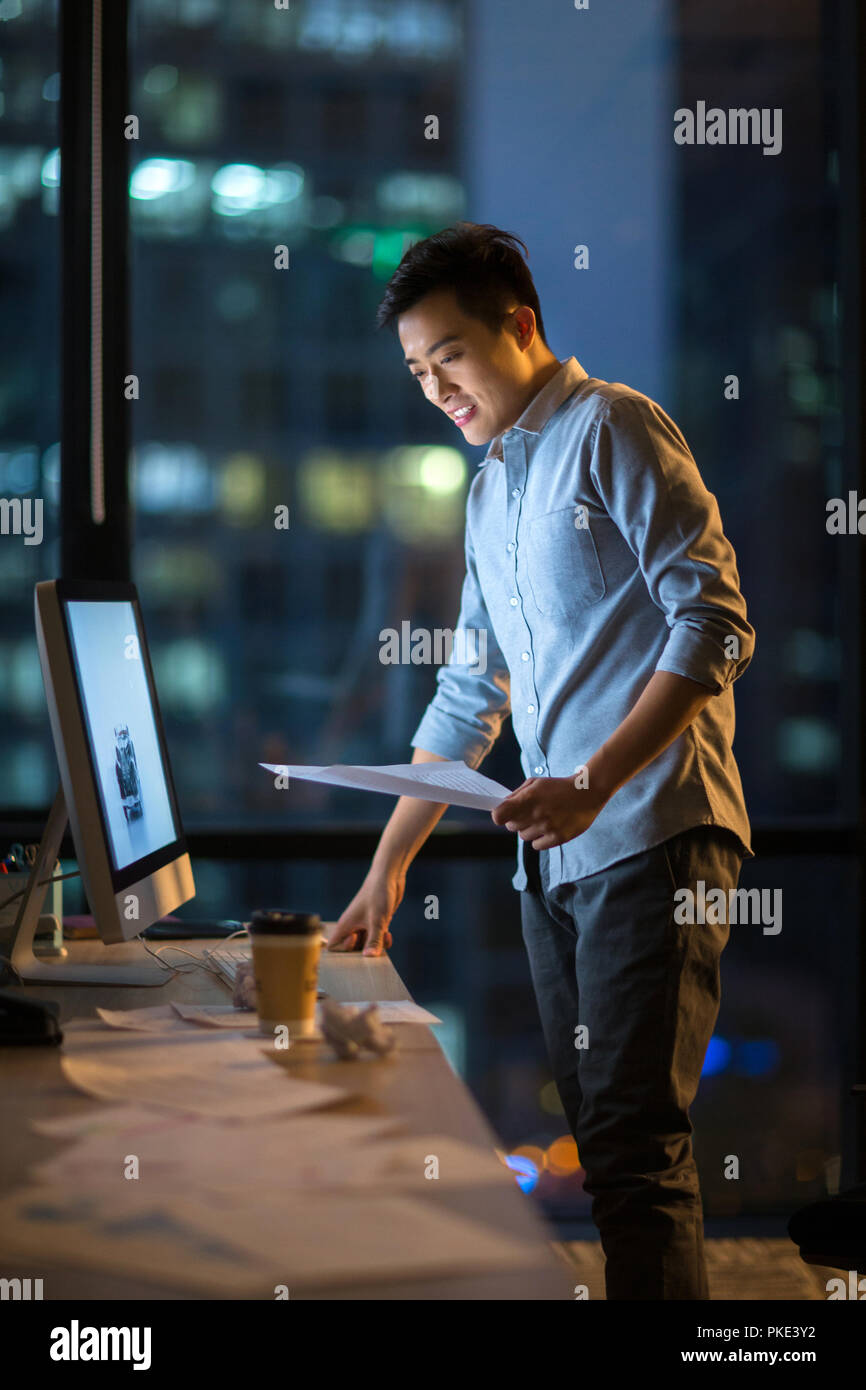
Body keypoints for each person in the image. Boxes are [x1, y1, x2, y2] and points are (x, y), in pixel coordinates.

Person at [328, 222, 755, 1301]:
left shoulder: (609, 425)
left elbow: (711, 621)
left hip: (651, 830)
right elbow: (471, 692)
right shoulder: (485, 491)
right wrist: (387, 869)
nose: (436, 390)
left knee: (630, 1150)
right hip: (557, 858)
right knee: (607, 1150)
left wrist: (593, 781)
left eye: (452, 358)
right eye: (419, 373)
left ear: (519, 326)